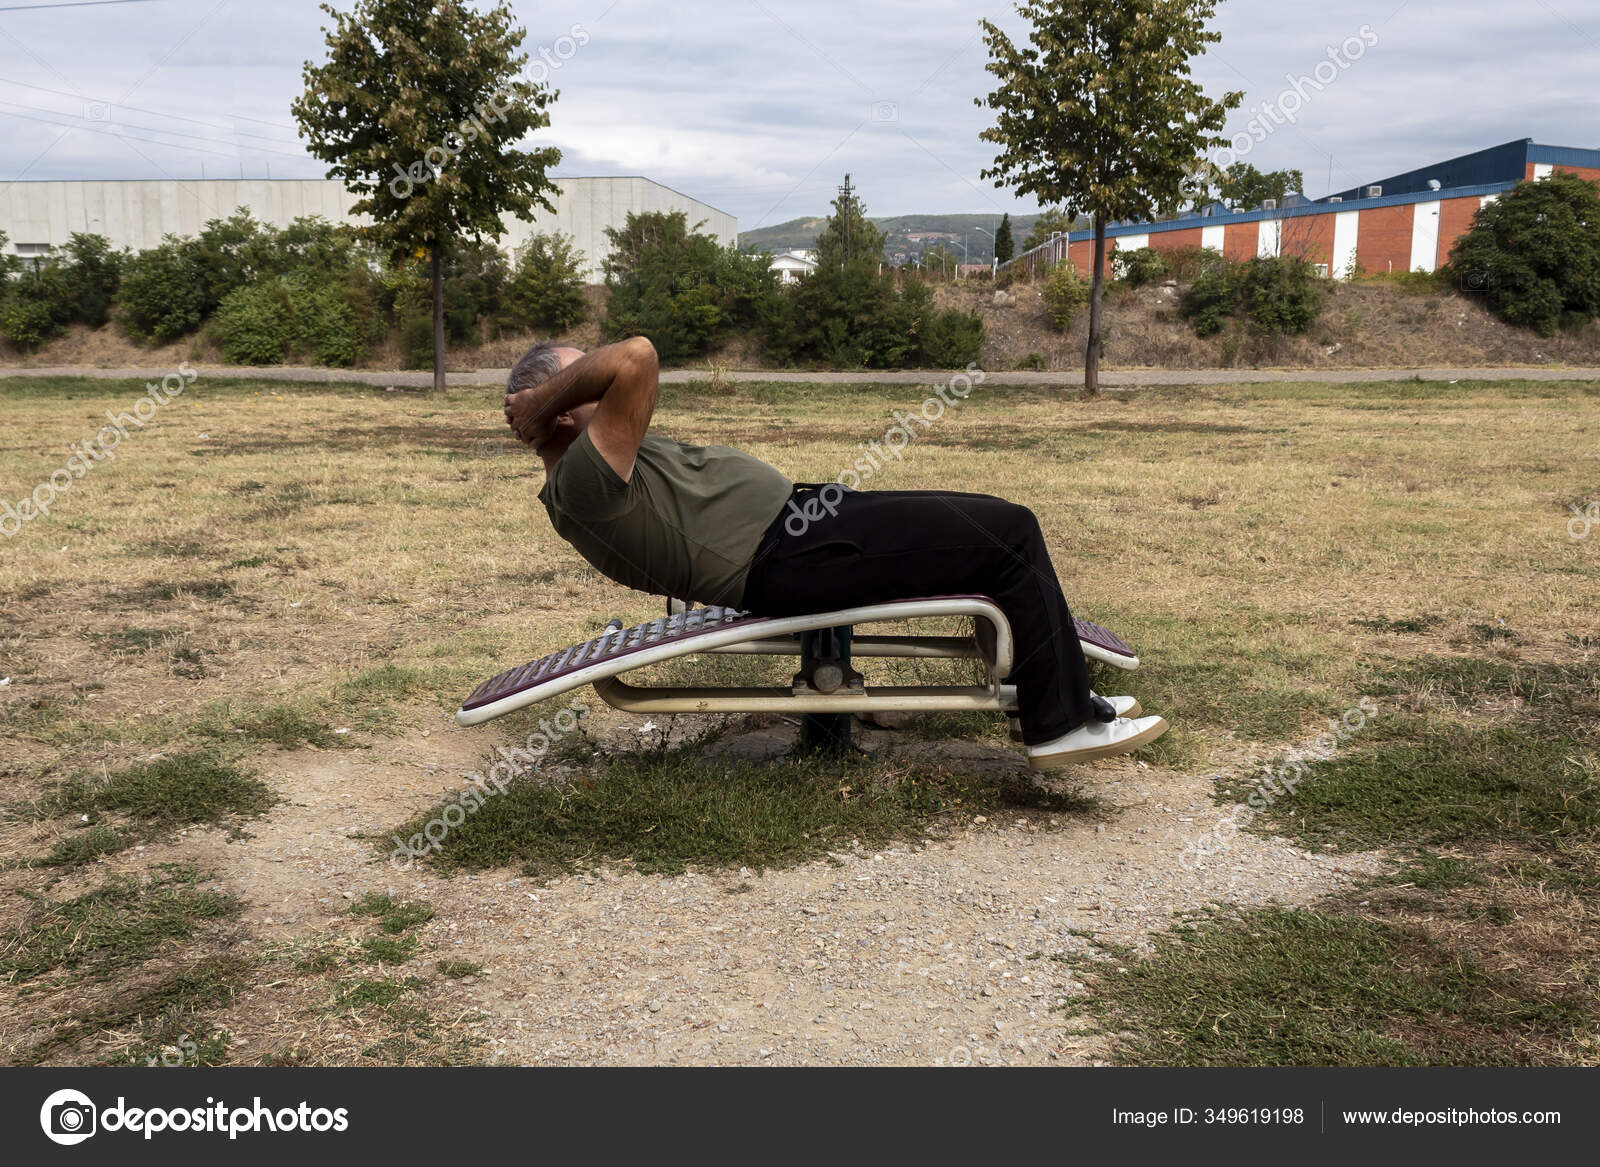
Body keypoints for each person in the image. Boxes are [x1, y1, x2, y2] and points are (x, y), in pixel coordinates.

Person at [503, 337, 1167, 768]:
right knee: (1008, 533)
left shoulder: (594, 463)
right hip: (795, 553)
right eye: (576, 378)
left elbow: (621, 368)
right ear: (558, 411)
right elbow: (636, 356)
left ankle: (1055, 690)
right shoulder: (583, 479)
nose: (594, 373)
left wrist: (554, 394)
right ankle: (1059, 726)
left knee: (993, 527)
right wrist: (538, 399)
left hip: (804, 528)